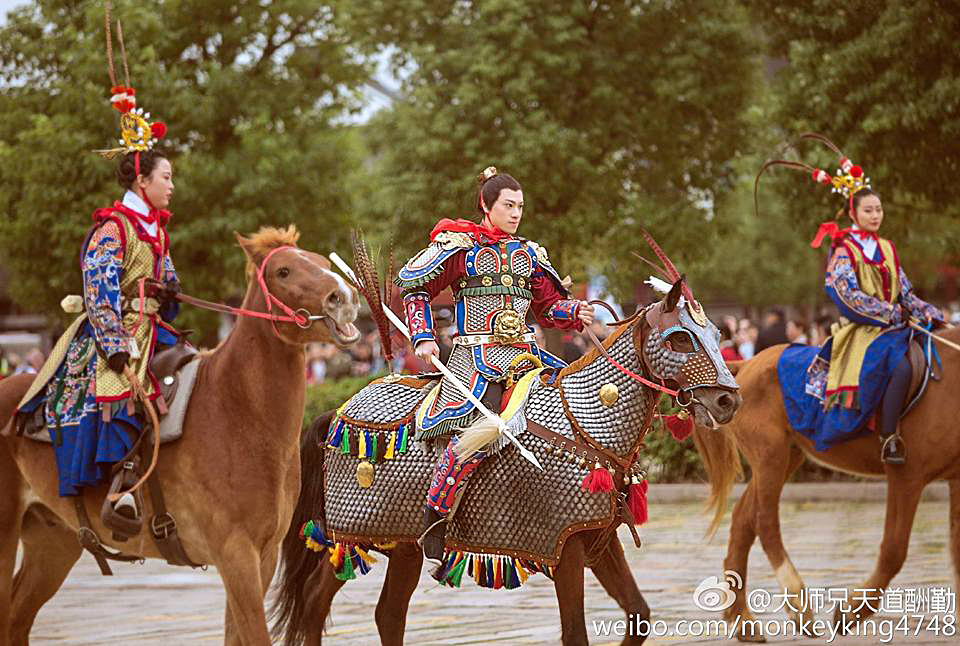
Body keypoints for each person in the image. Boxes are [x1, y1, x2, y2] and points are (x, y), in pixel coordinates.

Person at [16, 58, 181, 536]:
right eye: (165, 177)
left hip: (154, 326)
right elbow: (98, 289)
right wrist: (114, 343)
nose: (172, 186)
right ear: (141, 181)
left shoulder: (156, 231)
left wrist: (171, 291)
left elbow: (166, 279)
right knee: (121, 390)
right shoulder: (113, 229)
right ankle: (119, 487)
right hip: (115, 331)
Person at [396, 166, 594, 563]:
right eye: (508, 205)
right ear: (487, 205)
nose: (516, 213)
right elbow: (415, 290)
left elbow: (548, 308)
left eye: (520, 206)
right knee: (480, 425)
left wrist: (575, 310)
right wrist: (422, 336)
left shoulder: (530, 253)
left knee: (573, 404)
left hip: (525, 356)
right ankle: (435, 516)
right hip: (476, 359)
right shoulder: (460, 247)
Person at [763, 135, 944, 464]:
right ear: (854, 212)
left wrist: (934, 313)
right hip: (864, 330)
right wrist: (889, 312)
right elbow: (846, 293)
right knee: (900, 365)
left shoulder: (887, 248)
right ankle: (889, 436)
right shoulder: (845, 249)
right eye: (868, 210)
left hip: (896, 324)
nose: (875, 215)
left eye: (878, 209)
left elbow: (905, 291)